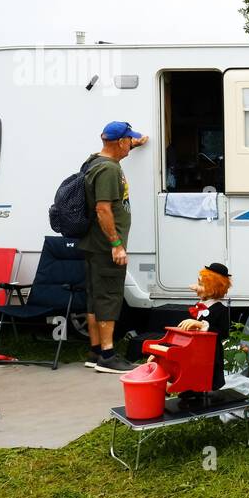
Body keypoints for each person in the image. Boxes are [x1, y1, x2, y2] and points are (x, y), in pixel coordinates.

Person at [80, 121, 148, 374]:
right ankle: (108, 356)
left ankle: (95, 351)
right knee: (109, 296)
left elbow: (111, 151)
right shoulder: (108, 170)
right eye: (128, 141)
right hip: (106, 246)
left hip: (92, 244)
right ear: (119, 142)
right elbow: (102, 209)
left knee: (94, 298)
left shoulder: (95, 161)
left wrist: (136, 143)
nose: (130, 144)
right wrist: (117, 245)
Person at [173, 262, 231, 391]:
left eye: (201, 285)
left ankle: (205, 393)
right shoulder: (198, 305)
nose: (196, 288)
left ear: (214, 287)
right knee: (194, 372)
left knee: (208, 376)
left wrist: (202, 325)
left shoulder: (220, 309)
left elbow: (223, 333)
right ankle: (191, 391)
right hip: (195, 350)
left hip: (211, 353)